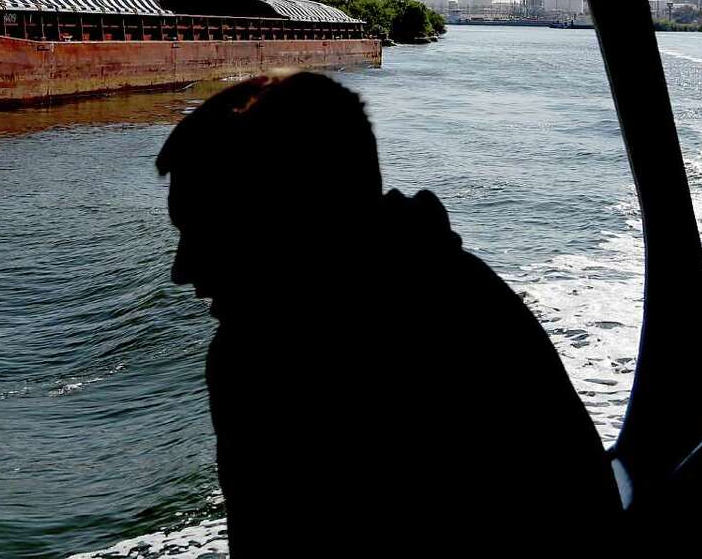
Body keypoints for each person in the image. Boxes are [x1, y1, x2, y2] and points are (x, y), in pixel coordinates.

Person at [155, 72, 619, 556]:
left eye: (210, 233)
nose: (182, 270)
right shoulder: (463, 289)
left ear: (297, 219)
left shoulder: (258, 361)